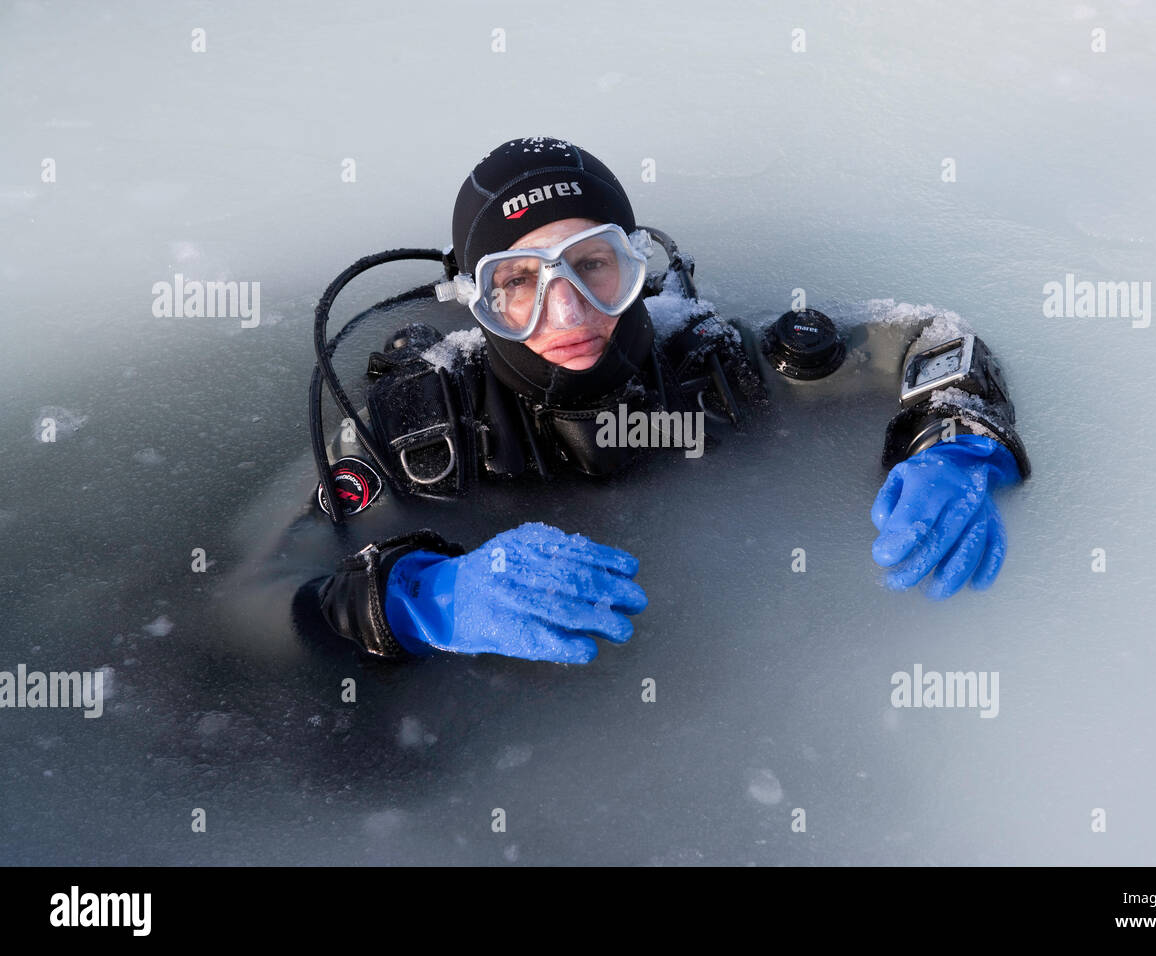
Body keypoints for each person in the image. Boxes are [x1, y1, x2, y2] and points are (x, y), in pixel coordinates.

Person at [305, 136, 1031, 665]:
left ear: (632, 264)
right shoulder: (414, 433)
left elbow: (930, 337)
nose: (568, 313)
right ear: (475, 299)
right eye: (519, 283)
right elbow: (253, 601)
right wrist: (420, 599)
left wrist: (958, 448)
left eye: (592, 266)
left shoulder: (716, 370)